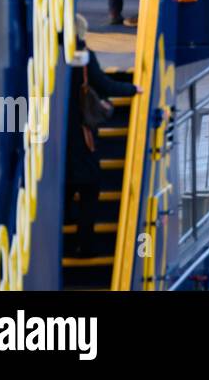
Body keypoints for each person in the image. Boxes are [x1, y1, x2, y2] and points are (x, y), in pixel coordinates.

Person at [64, 15, 142, 257]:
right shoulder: (82, 57)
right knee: (90, 191)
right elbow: (104, 85)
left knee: (64, 190)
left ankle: (59, 239)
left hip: (53, 138)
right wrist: (132, 89)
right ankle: (84, 247)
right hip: (80, 136)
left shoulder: (48, 56)